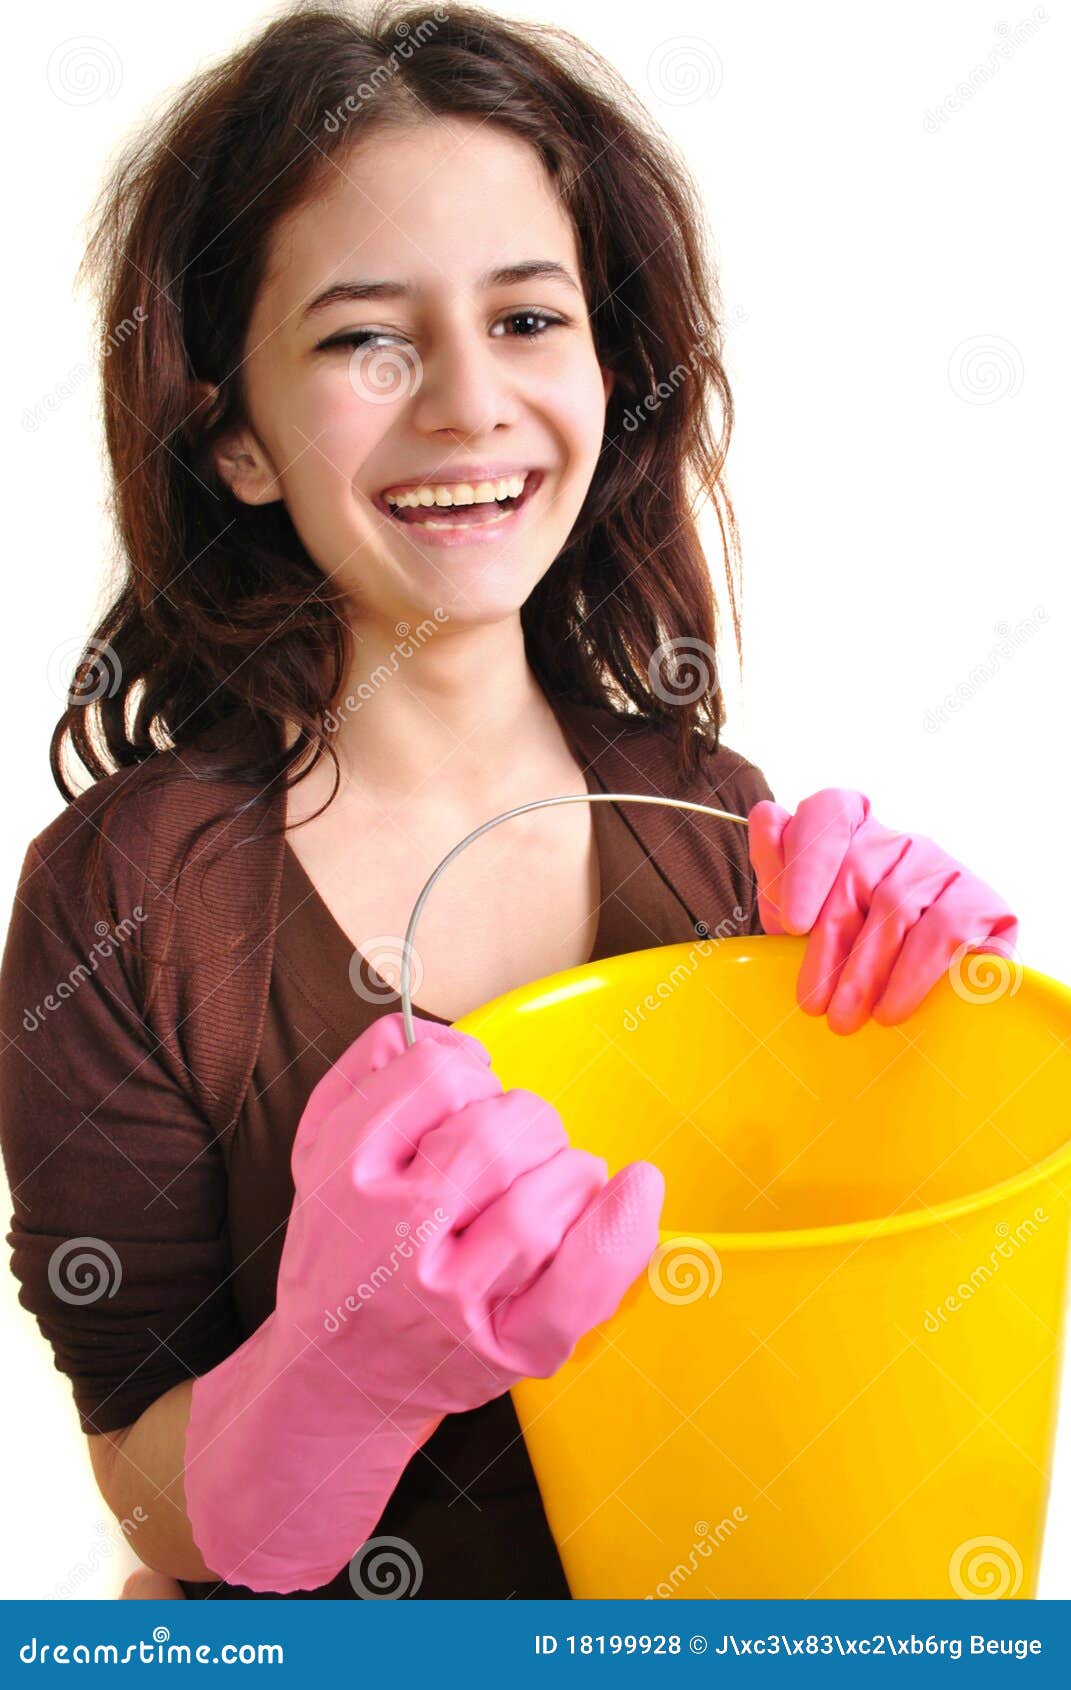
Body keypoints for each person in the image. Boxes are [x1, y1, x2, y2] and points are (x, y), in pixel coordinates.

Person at [0, 1, 1016, 1602]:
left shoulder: (721, 833)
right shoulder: (130, 896)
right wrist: (346, 1369)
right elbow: (146, 1489)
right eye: (363, 338)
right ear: (236, 434)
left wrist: (936, 1046)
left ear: (610, 367)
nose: (468, 402)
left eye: (530, 319)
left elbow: (851, 1369)